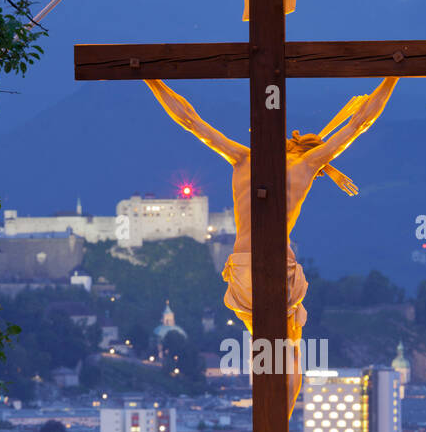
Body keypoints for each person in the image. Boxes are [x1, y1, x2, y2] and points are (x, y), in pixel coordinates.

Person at [144, 75, 400, 414]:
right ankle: (280, 419)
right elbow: (360, 121)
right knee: (288, 351)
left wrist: (152, 80)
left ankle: (272, 417)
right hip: (279, 266)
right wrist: (393, 76)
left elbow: (190, 121)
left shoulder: (241, 158)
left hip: (245, 268)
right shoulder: (307, 165)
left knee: (264, 346)